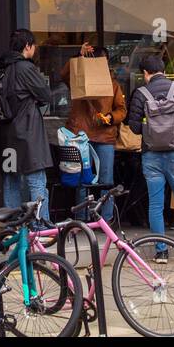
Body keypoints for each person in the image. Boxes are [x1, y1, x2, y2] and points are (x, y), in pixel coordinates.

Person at [126, 53, 174, 263]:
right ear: (162, 69)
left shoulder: (141, 93)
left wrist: (149, 127)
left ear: (145, 73)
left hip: (151, 155)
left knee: (155, 205)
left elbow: (133, 126)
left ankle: (161, 252)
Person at [0, 28, 53, 224]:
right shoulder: (25, 68)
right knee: (37, 181)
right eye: (33, 45)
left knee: (11, 180)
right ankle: (40, 226)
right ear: (28, 46)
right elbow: (45, 95)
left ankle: (13, 226)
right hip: (28, 134)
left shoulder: (1, 67)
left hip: (5, 135)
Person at [66, 41, 126, 223]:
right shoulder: (77, 78)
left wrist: (111, 117)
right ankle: (82, 218)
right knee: (82, 179)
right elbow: (62, 75)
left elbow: (122, 109)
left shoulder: (113, 84)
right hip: (82, 136)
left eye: (104, 61)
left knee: (106, 180)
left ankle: (104, 219)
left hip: (104, 135)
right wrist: (79, 55)